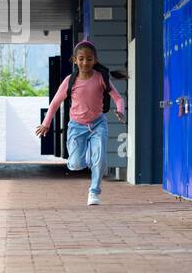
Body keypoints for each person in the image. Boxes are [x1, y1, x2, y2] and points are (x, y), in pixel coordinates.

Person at [35, 39, 125, 205]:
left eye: (89, 59)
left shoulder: (101, 78)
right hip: (76, 127)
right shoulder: (70, 81)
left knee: (100, 160)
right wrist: (46, 123)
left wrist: (120, 110)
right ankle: (87, 157)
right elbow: (55, 103)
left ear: (95, 60)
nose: (85, 62)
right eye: (81, 59)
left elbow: (118, 98)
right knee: (75, 164)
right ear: (75, 60)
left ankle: (94, 192)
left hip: (98, 124)